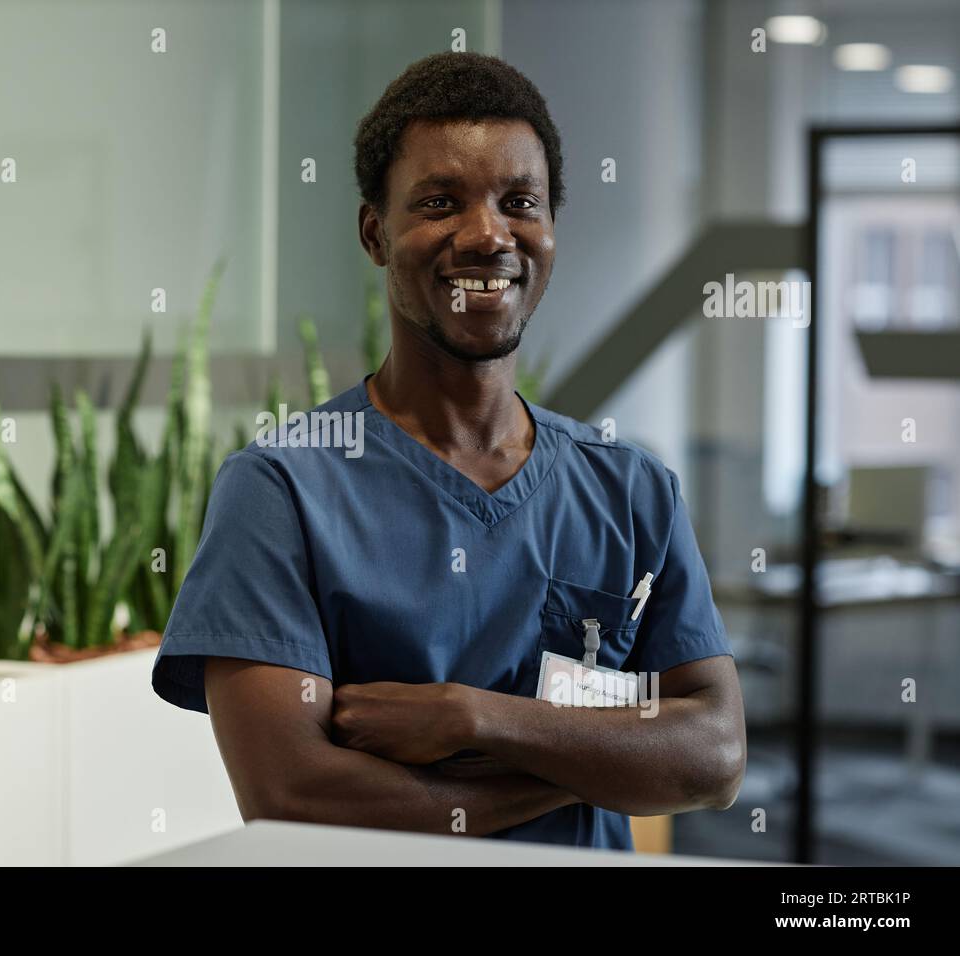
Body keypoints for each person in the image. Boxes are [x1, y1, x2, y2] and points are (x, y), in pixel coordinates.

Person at [151, 51, 746, 849]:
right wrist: (595, 760)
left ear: (550, 231)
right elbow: (292, 791)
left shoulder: (633, 491)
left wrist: (475, 718)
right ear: (376, 233)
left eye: (519, 202)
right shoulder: (283, 490)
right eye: (440, 202)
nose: (487, 234)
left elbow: (712, 757)